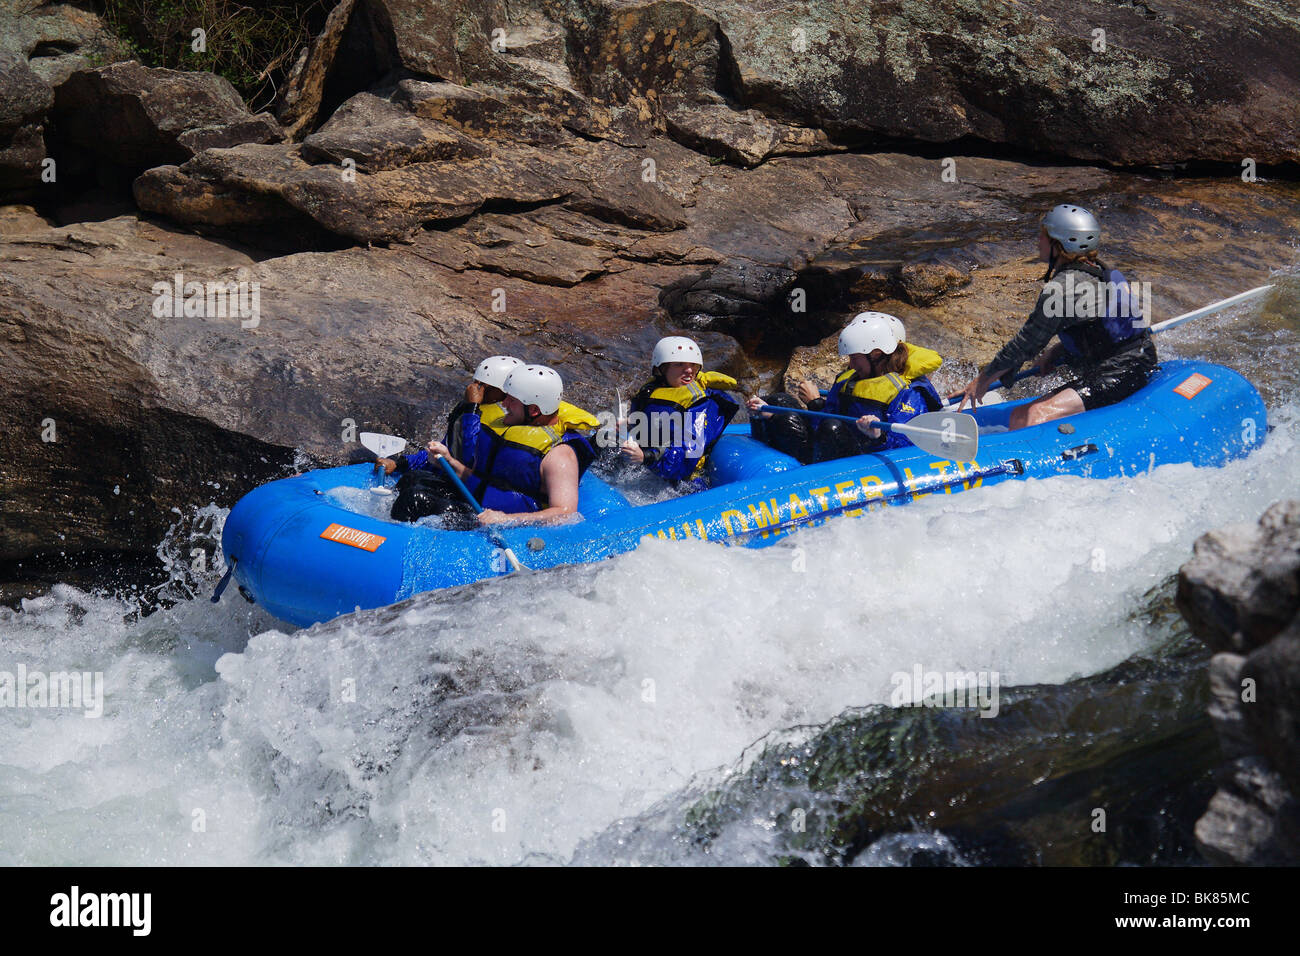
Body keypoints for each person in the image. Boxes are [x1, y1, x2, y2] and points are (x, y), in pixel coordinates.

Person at [952, 203, 1157, 428]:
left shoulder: (1062, 289)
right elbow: (1101, 328)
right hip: (1139, 357)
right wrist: (1057, 350)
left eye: (1043, 235)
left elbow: (1024, 345)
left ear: (1059, 245)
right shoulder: (1098, 270)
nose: (1038, 241)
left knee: (1026, 417)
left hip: (1121, 371)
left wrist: (981, 381)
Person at [384, 364, 598, 526]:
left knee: (417, 500)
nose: (504, 404)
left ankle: (393, 551)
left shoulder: (559, 455)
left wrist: (507, 520)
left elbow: (565, 513)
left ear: (533, 410)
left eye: (511, 400)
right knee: (414, 480)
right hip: (480, 501)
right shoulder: (510, 426)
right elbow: (486, 479)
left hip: (508, 520)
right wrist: (448, 462)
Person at [746, 312, 943, 462]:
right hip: (837, 443)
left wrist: (877, 436)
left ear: (876, 354)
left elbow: (908, 443)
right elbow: (825, 419)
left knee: (830, 427)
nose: (851, 364)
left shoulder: (908, 393)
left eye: (855, 358)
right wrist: (777, 414)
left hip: (866, 457)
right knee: (778, 402)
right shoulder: (851, 380)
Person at [618, 336, 740, 490]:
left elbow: (687, 454)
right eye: (679, 364)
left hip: (684, 481)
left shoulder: (698, 402)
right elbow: (649, 424)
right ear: (661, 369)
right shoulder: (650, 390)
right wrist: (628, 426)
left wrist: (646, 458)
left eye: (693, 365)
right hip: (649, 463)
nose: (689, 370)